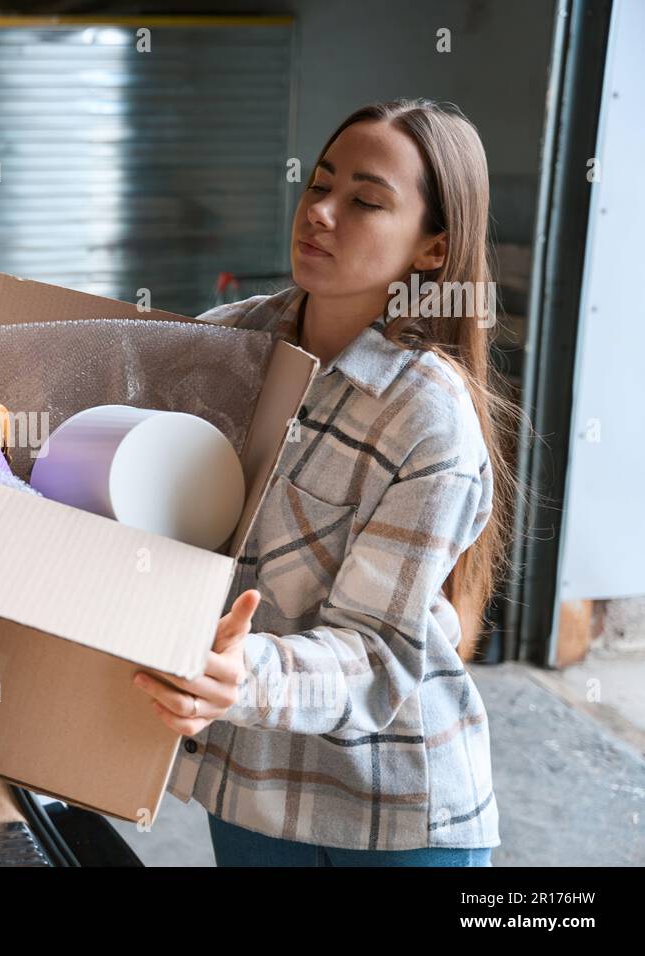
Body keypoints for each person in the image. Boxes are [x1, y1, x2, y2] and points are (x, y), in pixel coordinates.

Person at [131, 98, 524, 867]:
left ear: (432, 250)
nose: (319, 212)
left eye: (365, 201)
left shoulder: (427, 419)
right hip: (251, 791)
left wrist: (238, 674)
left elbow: (376, 654)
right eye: (319, 184)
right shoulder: (228, 344)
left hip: (393, 816)